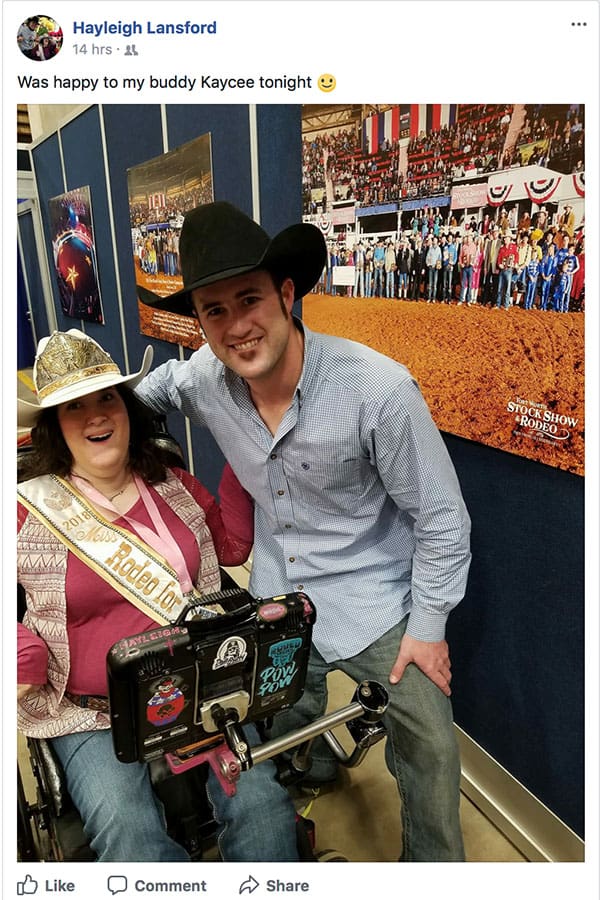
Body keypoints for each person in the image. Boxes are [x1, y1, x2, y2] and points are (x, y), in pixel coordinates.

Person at [136, 201, 472, 862]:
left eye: (250, 299)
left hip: (376, 597)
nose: (237, 326)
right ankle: (308, 773)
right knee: (269, 721)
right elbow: (149, 395)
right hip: (277, 591)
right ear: (199, 322)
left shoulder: (379, 392)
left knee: (431, 743)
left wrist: (429, 627)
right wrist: (70, 437)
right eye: (214, 311)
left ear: (287, 295)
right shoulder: (205, 378)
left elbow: (443, 520)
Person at [17, 329, 300, 863]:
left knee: (263, 804)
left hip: (198, 689)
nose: (95, 416)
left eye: (107, 398)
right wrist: (22, 651)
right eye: (74, 406)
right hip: (91, 712)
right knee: (129, 835)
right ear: (54, 425)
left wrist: (246, 455)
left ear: (127, 409)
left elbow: (232, 548)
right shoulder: (26, 510)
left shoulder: (174, 487)